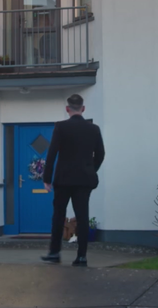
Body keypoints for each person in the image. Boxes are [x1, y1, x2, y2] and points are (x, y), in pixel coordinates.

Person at [40, 94, 105, 267]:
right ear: (83, 109)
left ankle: (54, 253)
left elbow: (52, 153)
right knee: (83, 217)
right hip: (84, 180)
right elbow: (100, 154)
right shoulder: (94, 129)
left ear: (67, 109)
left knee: (58, 216)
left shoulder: (60, 127)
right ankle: (81, 257)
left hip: (63, 179)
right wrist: (91, 169)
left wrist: (47, 178)